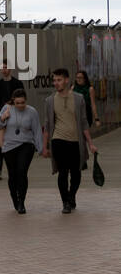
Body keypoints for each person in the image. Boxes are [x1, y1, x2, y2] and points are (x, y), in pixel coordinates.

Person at [42, 68, 95, 214]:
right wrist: (44, 146)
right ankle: (65, 202)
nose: (56, 83)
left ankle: (72, 196)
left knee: (76, 173)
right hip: (58, 140)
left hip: (76, 142)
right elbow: (47, 124)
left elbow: (84, 122)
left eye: (59, 80)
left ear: (66, 80)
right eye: (54, 80)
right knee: (63, 173)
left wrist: (90, 143)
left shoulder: (78, 99)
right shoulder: (50, 100)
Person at [0, 87, 41, 213]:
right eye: (17, 103)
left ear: (26, 101)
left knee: (22, 172)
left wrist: (40, 148)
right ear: (13, 101)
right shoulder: (7, 108)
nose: (20, 105)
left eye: (22, 103)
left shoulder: (32, 112)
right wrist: (3, 117)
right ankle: (15, 198)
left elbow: (37, 131)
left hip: (26, 145)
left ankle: (22, 202)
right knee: (12, 175)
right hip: (9, 146)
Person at [0, 58, 24, 180]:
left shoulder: (17, 84)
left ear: (10, 69)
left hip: (15, 117)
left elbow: (22, 101)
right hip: (2, 118)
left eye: (6, 67)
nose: (3, 70)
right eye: (2, 68)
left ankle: (16, 167)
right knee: (0, 142)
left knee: (15, 142)